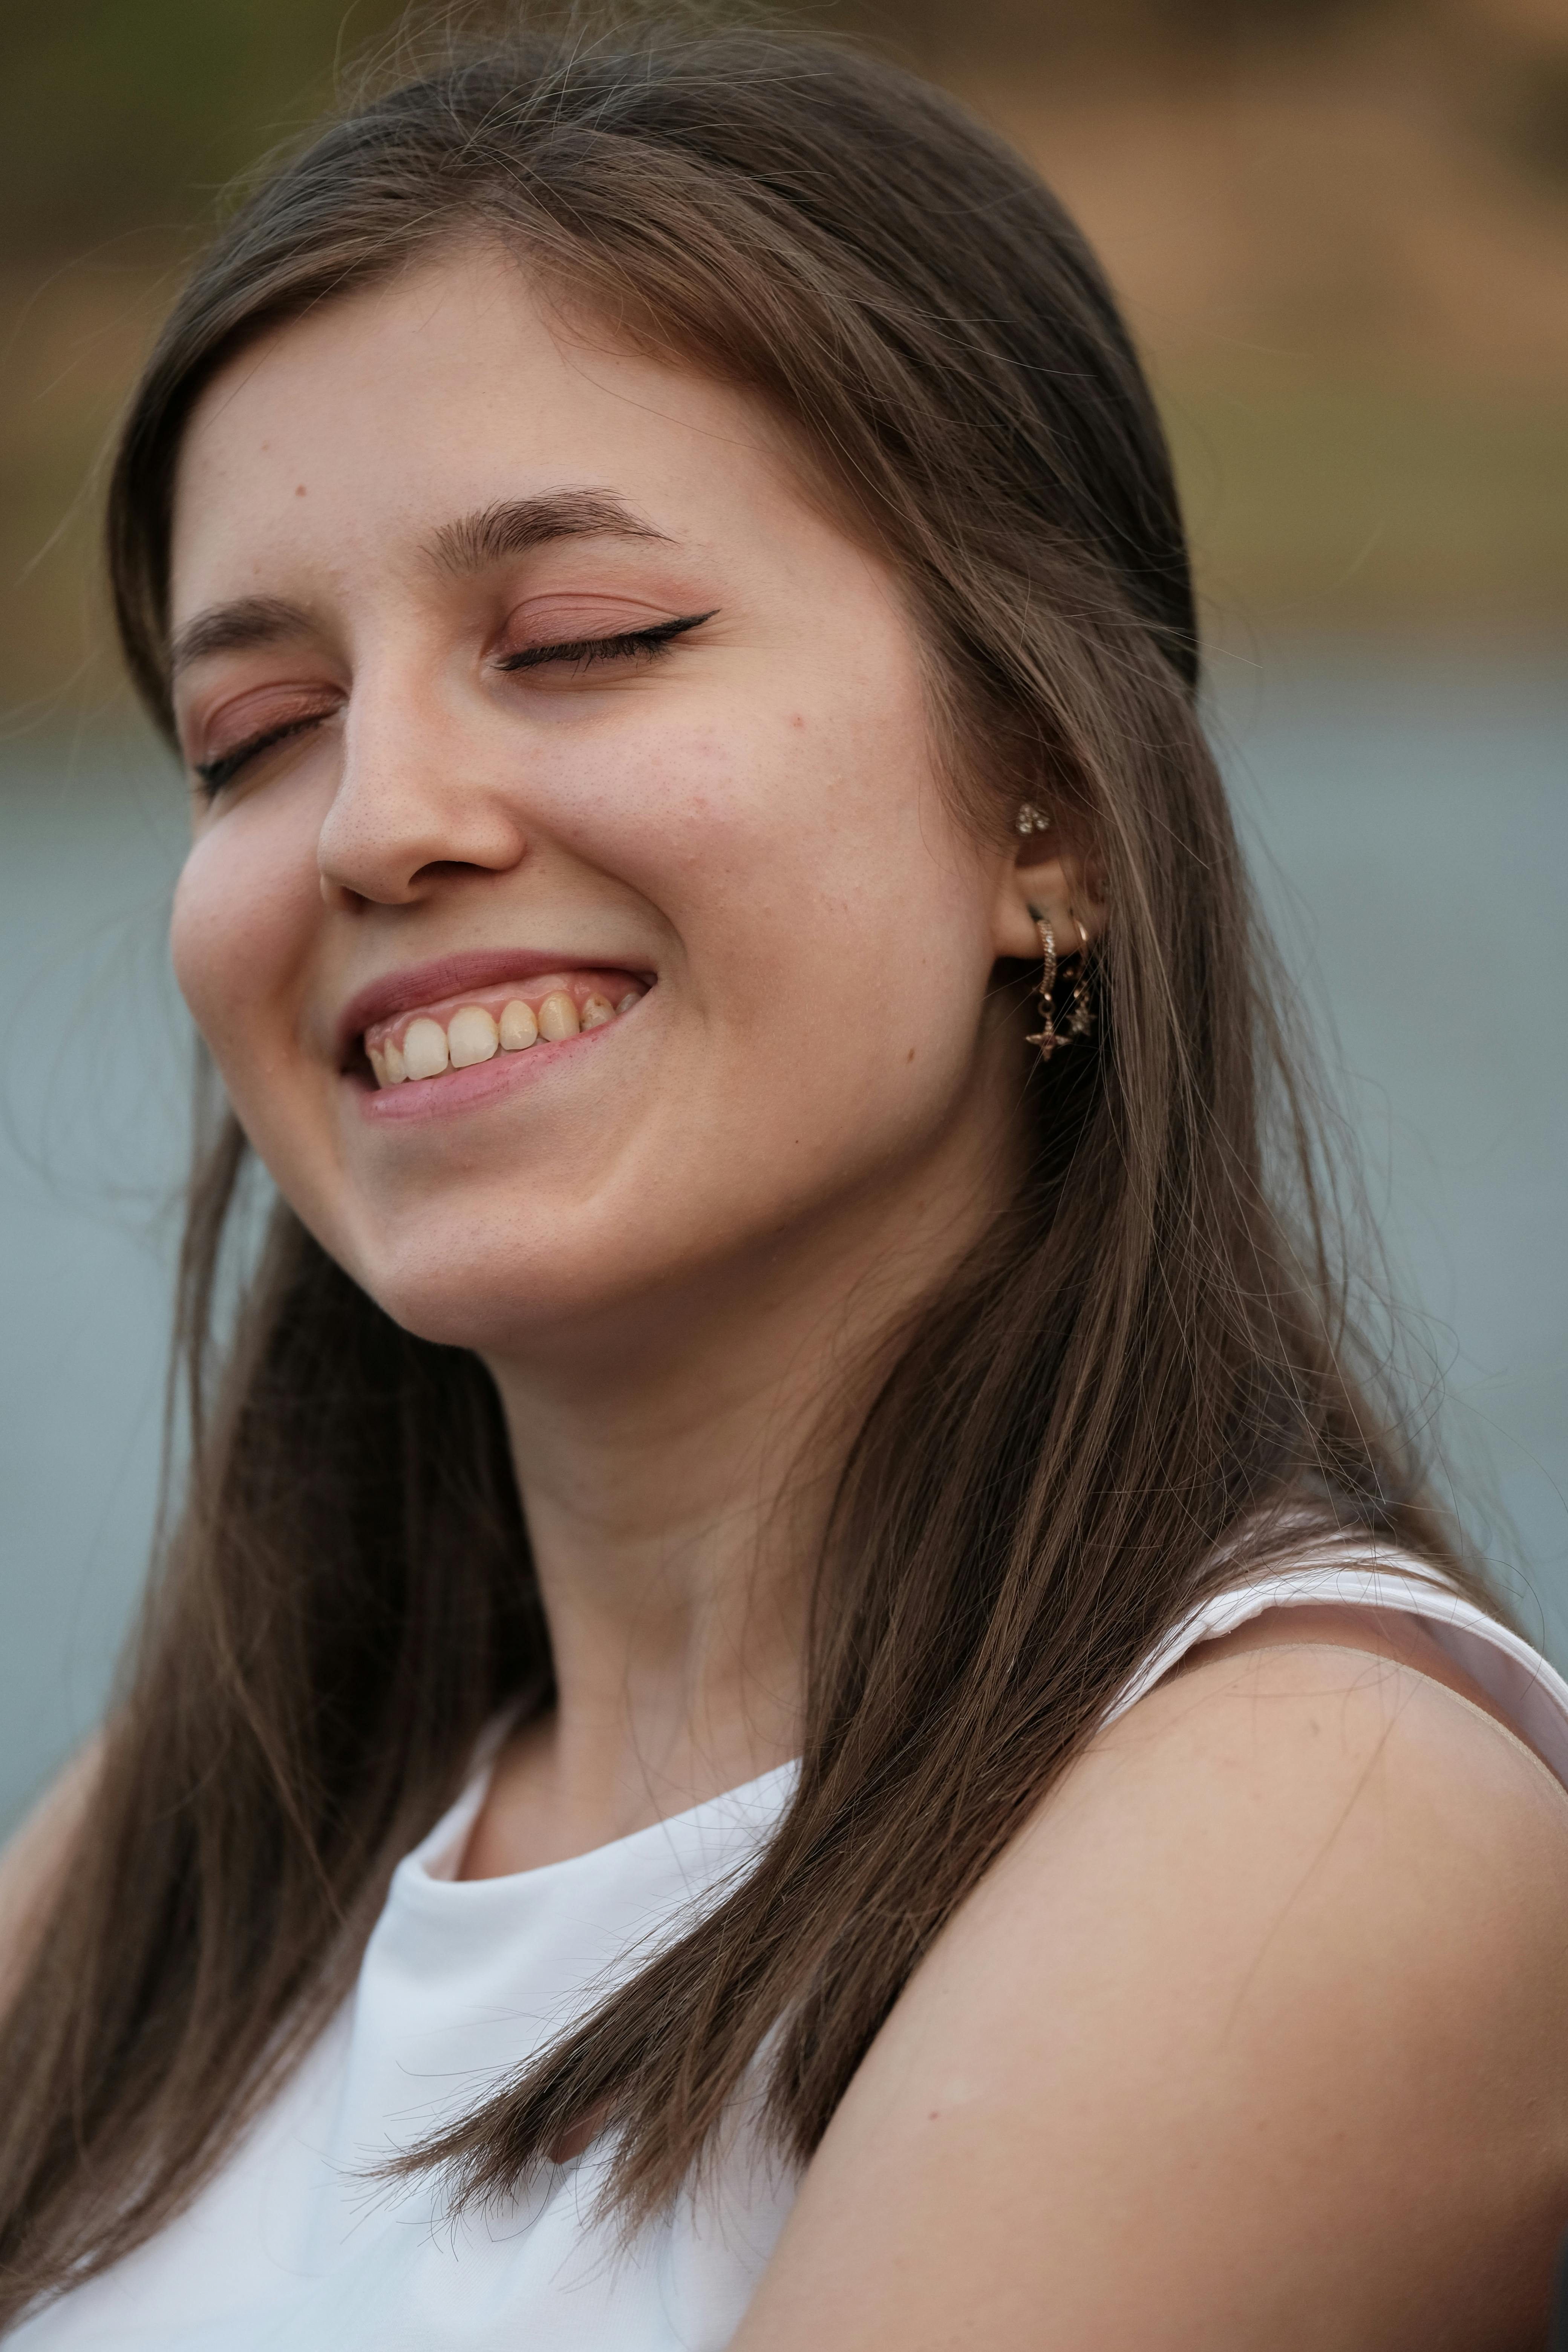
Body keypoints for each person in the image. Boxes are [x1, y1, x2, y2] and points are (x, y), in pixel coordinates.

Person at [2, 17, 1566, 2347]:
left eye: (583, 642)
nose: (373, 818)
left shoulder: (1310, 1835)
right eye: (257, 732)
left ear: (1046, 810)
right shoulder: (191, 1848)